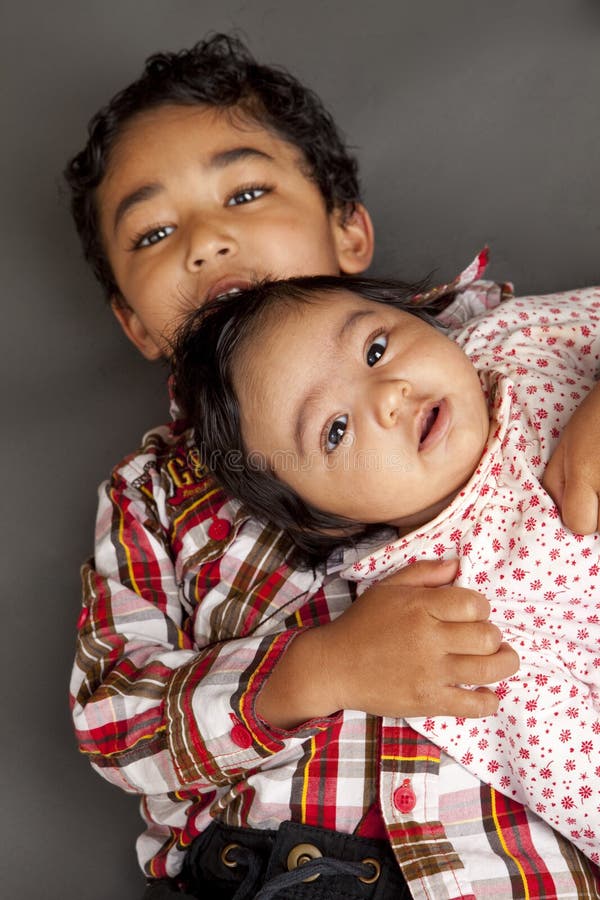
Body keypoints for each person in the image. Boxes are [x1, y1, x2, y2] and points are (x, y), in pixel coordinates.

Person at [64, 33, 599, 899]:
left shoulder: (487, 353)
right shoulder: (153, 495)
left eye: (245, 190)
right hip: (271, 862)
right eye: (154, 232)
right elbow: (115, 718)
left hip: (519, 858)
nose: (205, 242)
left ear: (349, 229)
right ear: (135, 325)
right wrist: (319, 669)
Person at [173, 270, 600, 863]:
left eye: (376, 349)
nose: (387, 394)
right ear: (328, 520)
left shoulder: (515, 338)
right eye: (336, 430)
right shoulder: (436, 613)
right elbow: (571, 766)